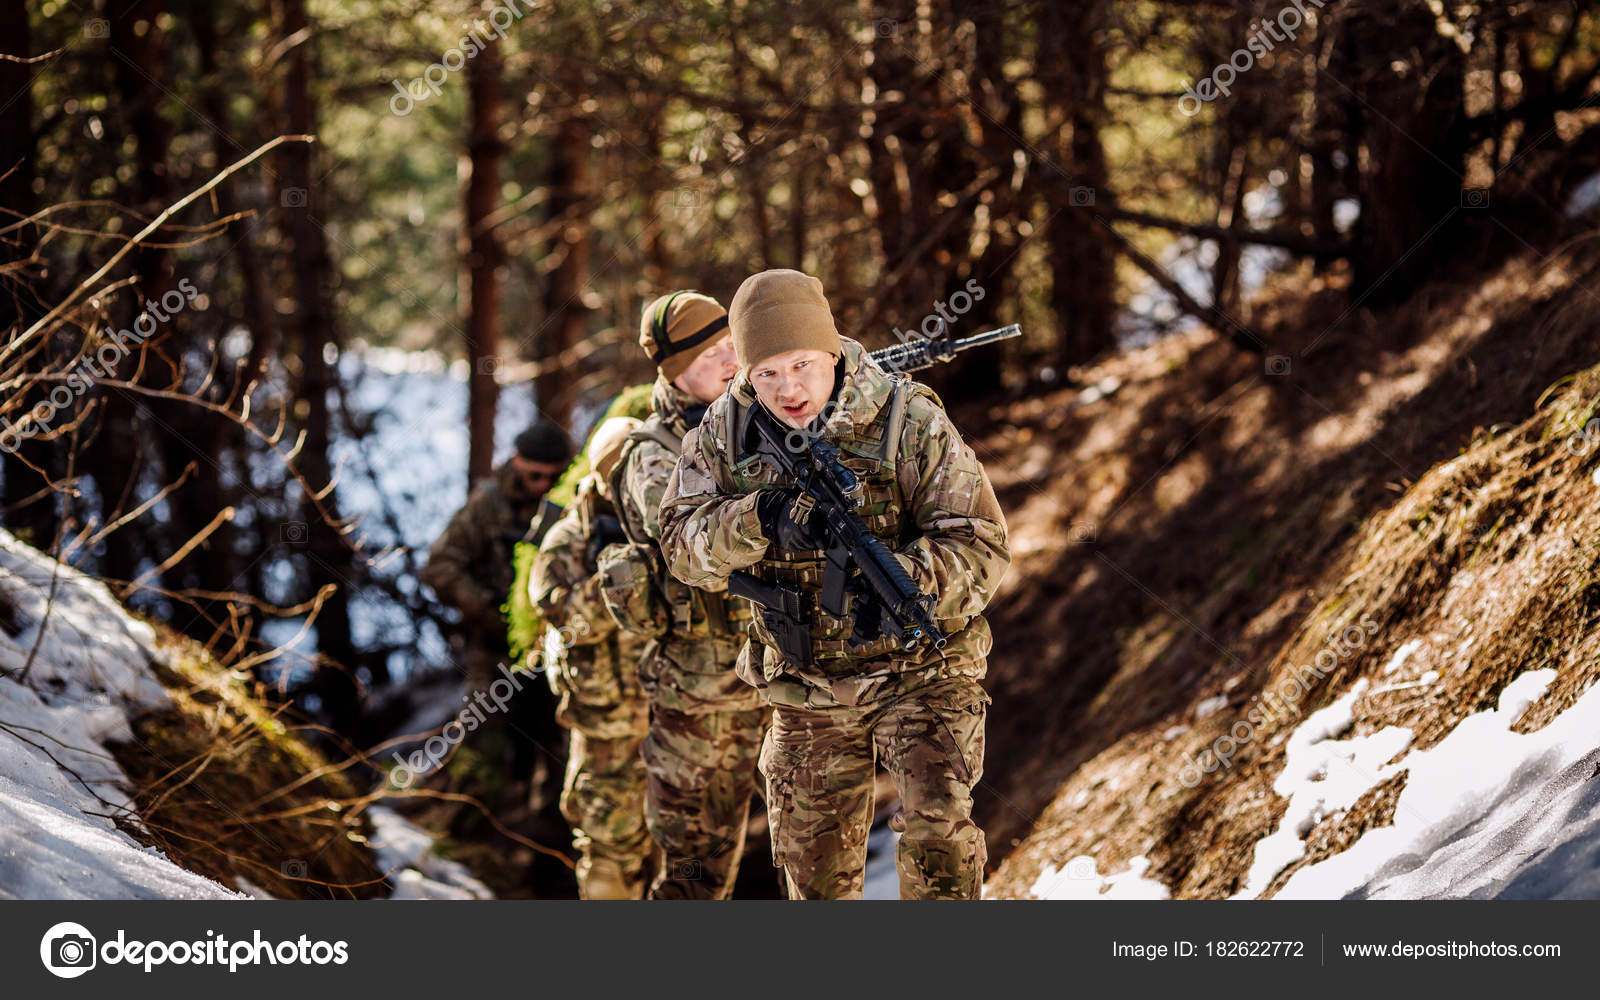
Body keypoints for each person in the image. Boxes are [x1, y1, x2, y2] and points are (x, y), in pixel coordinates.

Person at [657, 269, 1010, 899]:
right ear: (744, 370)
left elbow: (981, 543)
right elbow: (681, 547)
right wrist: (760, 519)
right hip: (805, 682)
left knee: (939, 842)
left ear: (830, 350)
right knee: (814, 883)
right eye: (766, 373)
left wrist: (905, 581)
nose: (788, 389)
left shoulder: (907, 418)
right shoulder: (723, 432)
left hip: (923, 670)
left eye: (801, 365)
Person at [607, 291, 767, 899]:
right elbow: (691, 545)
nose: (732, 362)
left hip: (782, 680)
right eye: (711, 357)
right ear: (675, 374)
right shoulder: (650, 453)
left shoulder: (759, 412)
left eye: (735, 347)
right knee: (698, 876)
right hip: (704, 707)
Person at [421, 421, 572, 816]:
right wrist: (490, 610)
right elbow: (440, 567)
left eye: (552, 475)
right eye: (534, 475)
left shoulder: (571, 497)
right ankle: (469, 835)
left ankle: (541, 842)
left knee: (558, 750)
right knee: (483, 746)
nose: (543, 484)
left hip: (556, 649)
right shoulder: (488, 503)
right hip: (495, 651)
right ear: (516, 461)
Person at [531, 417, 655, 899]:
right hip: (608, 729)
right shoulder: (569, 537)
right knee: (608, 851)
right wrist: (623, 578)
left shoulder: (665, 513)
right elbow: (561, 612)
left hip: (672, 715)